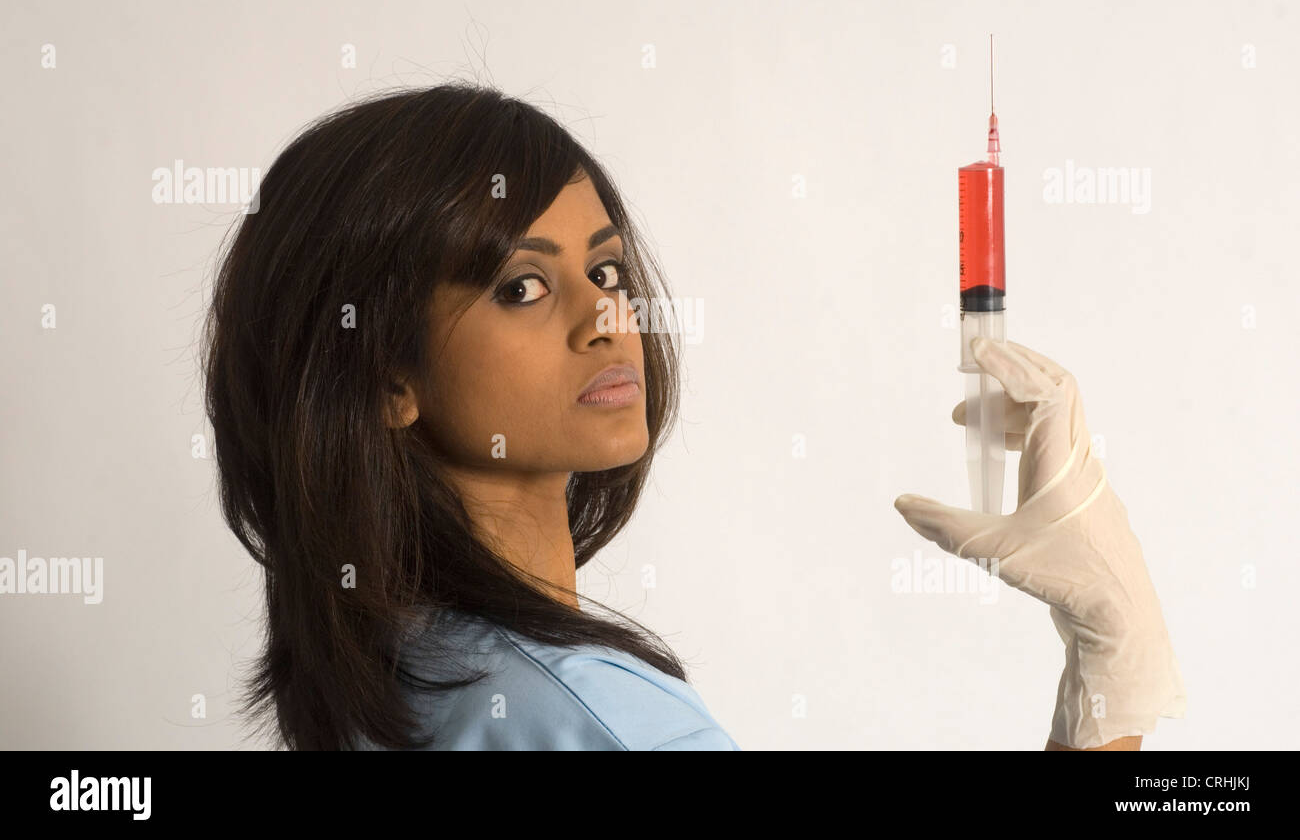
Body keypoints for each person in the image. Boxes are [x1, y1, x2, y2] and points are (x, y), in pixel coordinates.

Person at [202, 83, 1184, 751]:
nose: (605, 315)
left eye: (607, 267)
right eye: (521, 285)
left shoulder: (415, 674)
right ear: (384, 375)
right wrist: (1112, 675)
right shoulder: (594, 717)